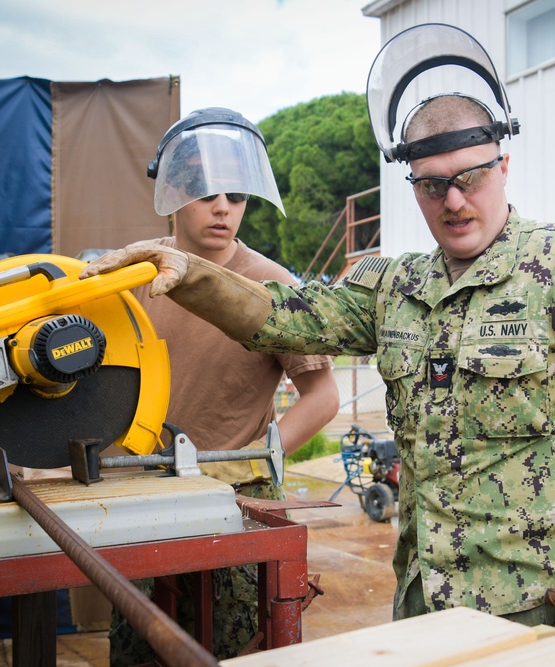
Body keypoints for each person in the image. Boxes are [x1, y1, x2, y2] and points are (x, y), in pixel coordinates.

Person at [83, 25, 555, 638]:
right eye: (432, 185)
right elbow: (287, 317)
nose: (455, 201)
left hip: (532, 603)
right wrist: (188, 273)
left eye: (471, 177)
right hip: (421, 598)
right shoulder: (395, 287)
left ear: (504, 165)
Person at [107, 107, 339, 664]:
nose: (223, 207)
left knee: (239, 649)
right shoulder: (133, 274)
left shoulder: (270, 284)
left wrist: (257, 460)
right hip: (140, 492)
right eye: (207, 191)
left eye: (236, 195)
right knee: (141, 645)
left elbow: (323, 395)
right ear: (173, 193)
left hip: (237, 499)